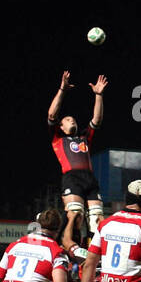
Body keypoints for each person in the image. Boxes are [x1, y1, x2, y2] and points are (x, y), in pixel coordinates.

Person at [47, 69, 108, 236]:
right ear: (61, 126)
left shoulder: (84, 137)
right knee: (75, 216)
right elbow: (52, 114)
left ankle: (94, 254)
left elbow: (97, 119)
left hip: (89, 177)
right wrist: (62, 90)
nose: (71, 119)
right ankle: (71, 252)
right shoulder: (57, 137)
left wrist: (99, 95)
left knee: (97, 219)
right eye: (67, 119)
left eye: (73, 118)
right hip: (72, 178)